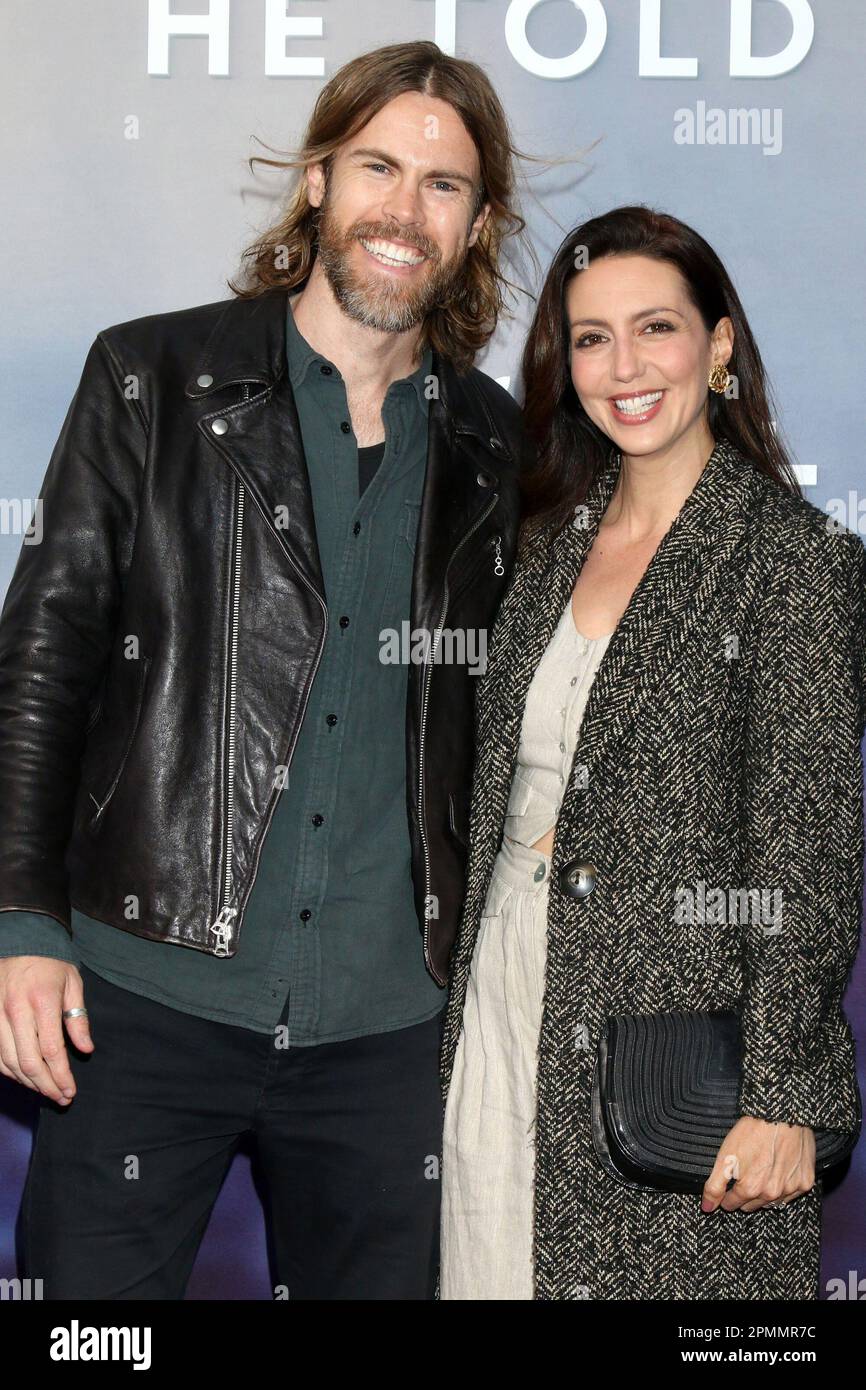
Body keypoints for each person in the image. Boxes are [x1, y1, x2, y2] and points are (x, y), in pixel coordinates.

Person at [0, 40, 531, 1300]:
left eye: (442, 186)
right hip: (136, 994)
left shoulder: (499, 451)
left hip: (389, 1032)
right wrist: (22, 920)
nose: (402, 210)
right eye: (376, 168)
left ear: (475, 227)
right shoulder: (151, 379)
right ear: (315, 182)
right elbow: (43, 657)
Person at [439, 205, 866, 1300]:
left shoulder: (795, 563)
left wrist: (782, 1089)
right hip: (504, 1001)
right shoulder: (543, 549)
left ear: (717, 347)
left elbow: (806, 845)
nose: (621, 367)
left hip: (680, 1062)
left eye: (654, 329)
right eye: (589, 338)